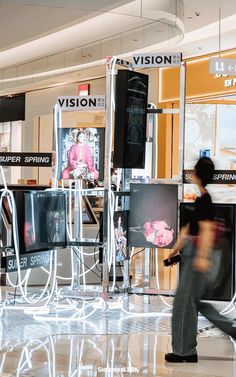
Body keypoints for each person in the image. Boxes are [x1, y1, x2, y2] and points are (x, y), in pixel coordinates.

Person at [165, 157, 236, 363]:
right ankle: (230, 330)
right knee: (195, 302)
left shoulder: (205, 200)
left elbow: (205, 230)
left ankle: (183, 352)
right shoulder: (201, 199)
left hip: (198, 255)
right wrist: (174, 251)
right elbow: (188, 229)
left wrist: (202, 258)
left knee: (184, 304)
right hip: (194, 254)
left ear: (196, 174)